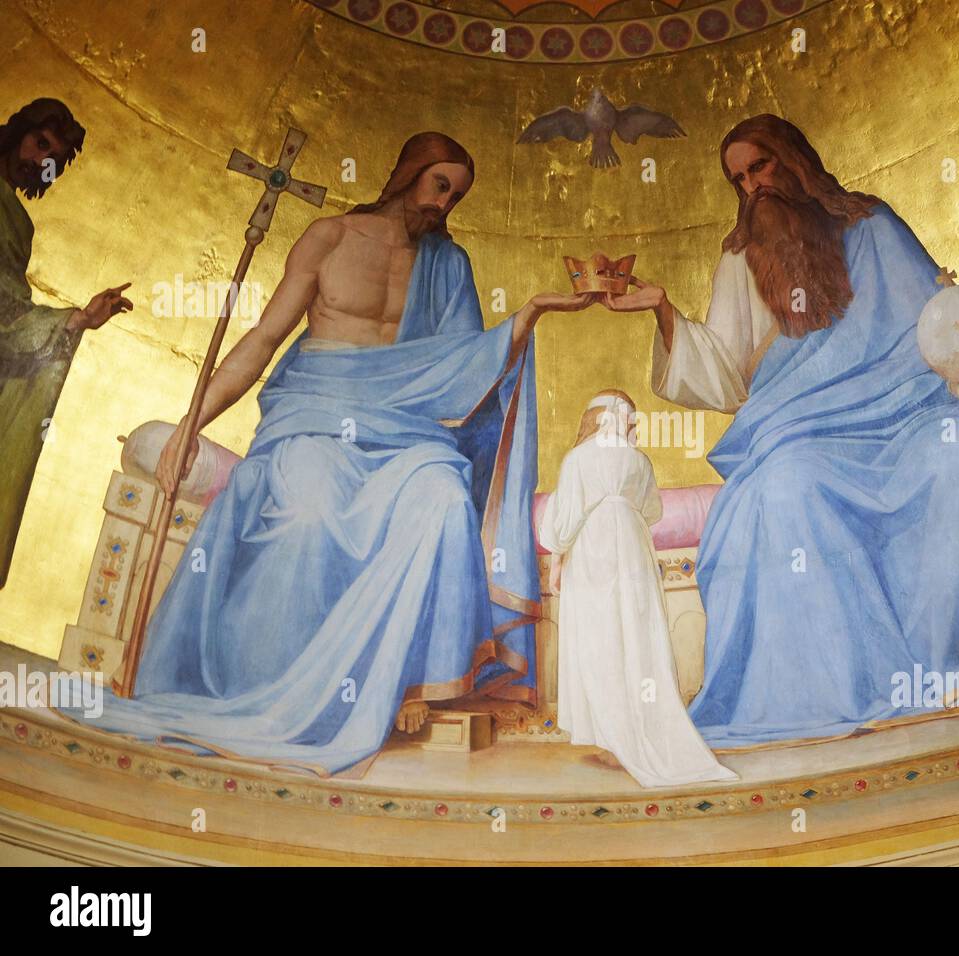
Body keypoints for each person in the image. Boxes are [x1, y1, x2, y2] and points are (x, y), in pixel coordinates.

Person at [59, 132, 596, 776]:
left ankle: (408, 684)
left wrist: (531, 312)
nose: (445, 205)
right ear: (407, 174)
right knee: (309, 512)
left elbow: (462, 369)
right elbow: (261, 342)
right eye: (439, 185)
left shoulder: (450, 266)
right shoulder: (331, 237)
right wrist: (189, 423)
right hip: (315, 418)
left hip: (406, 431)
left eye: (456, 195)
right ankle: (269, 692)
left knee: (444, 499)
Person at [600, 114, 959, 748]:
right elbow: (723, 374)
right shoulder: (740, 261)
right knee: (782, 493)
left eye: (761, 167)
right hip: (803, 432)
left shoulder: (871, 225)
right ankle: (864, 687)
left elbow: (941, 323)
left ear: (793, 159)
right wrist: (664, 311)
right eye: (739, 179)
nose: (753, 187)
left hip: (911, 412)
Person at [539, 389, 737, 787]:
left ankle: (615, 738)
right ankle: (639, 732)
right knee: (637, 638)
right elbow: (653, 511)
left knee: (602, 640)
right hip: (632, 545)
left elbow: (562, 521)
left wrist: (558, 556)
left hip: (592, 550)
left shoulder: (578, 459)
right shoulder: (638, 460)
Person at [1, 97, 133, 588]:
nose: (40, 162)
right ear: (19, 130)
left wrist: (75, 321)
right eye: (40, 144)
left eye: (51, 160)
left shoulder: (16, 222)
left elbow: (6, 313)